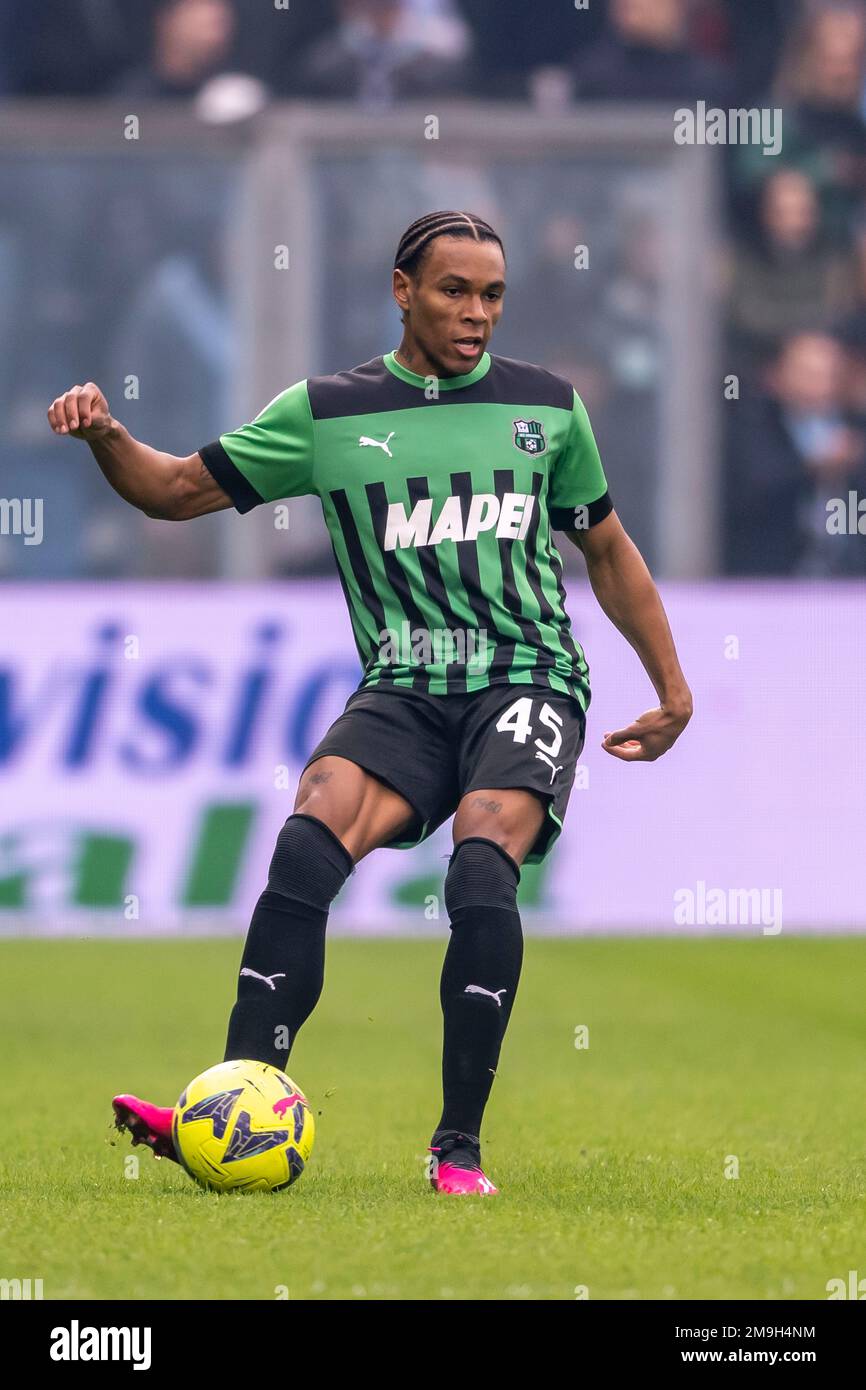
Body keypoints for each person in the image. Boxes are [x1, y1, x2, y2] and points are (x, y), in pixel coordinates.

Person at [47, 211, 693, 1195]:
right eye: (452, 291)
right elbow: (175, 491)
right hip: (402, 684)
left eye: (491, 295)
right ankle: (229, 1105)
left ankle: (457, 1149)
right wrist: (107, 435)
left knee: (481, 858)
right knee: (307, 837)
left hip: (524, 675)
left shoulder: (546, 409)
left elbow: (604, 547)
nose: (475, 313)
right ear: (402, 290)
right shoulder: (326, 412)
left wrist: (671, 688)